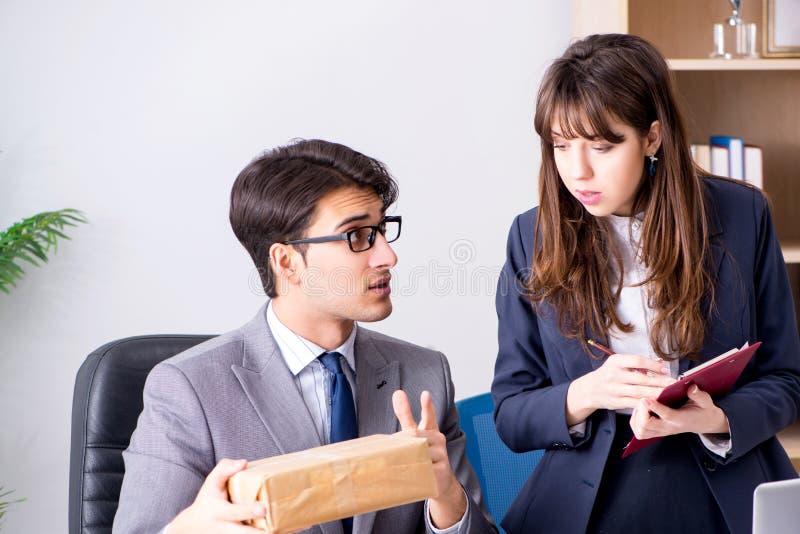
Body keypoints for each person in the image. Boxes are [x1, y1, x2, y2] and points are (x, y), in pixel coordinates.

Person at [491, 33, 800, 534]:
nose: (577, 171)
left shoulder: (742, 216)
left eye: (602, 146)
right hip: (590, 496)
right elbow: (511, 413)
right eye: (561, 146)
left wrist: (715, 419)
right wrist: (587, 392)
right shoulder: (532, 237)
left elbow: (786, 379)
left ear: (652, 138)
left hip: (720, 482)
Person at [114, 139, 496, 534]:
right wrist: (187, 529)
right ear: (287, 262)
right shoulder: (189, 389)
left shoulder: (425, 375)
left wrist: (446, 497)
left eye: (382, 230)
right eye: (357, 236)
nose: (388, 256)